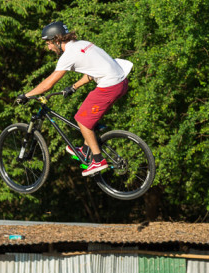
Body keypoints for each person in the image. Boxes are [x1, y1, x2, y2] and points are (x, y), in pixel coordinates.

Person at [15, 21, 131, 176]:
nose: (49, 48)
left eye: (49, 43)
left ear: (57, 40)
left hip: (110, 85)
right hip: (121, 81)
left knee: (82, 120)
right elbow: (94, 70)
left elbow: (48, 84)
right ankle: (84, 150)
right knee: (86, 114)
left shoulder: (68, 55)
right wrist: (74, 86)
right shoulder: (83, 44)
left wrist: (27, 95)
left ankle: (98, 161)